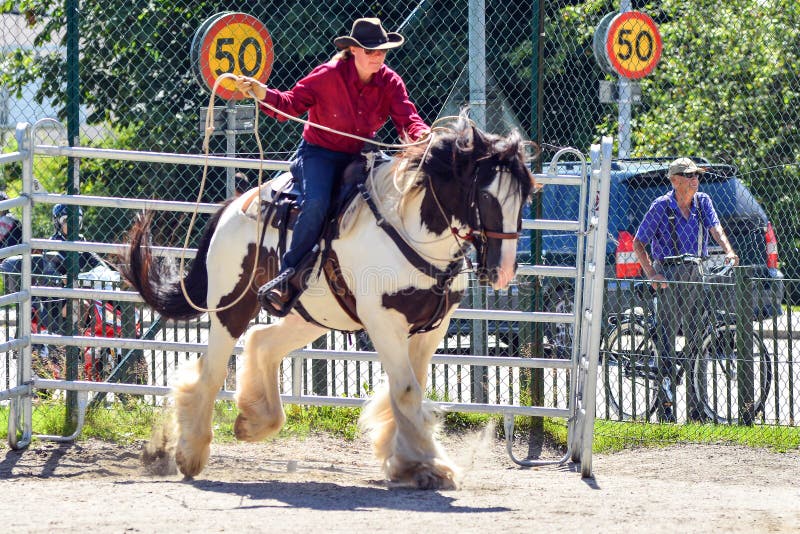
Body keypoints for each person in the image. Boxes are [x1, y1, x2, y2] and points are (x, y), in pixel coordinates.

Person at [234, 17, 430, 315]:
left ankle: (378, 280)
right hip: (318, 154)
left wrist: (423, 135)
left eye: (382, 52)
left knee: (389, 198)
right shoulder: (327, 75)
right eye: (370, 51)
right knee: (316, 203)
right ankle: (288, 276)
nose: (377, 57)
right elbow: (289, 105)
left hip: (361, 154)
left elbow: (408, 119)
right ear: (353, 50)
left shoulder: (390, 81)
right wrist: (261, 92)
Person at [633, 157, 739, 421]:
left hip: (696, 272)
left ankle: (696, 409)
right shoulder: (660, 206)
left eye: (697, 176)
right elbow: (638, 244)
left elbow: (716, 229)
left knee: (696, 340)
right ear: (675, 180)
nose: (695, 180)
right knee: (667, 339)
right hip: (668, 274)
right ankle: (666, 409)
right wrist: (652, 274)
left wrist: (728, 250)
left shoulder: (703, 202)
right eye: (689, 175)